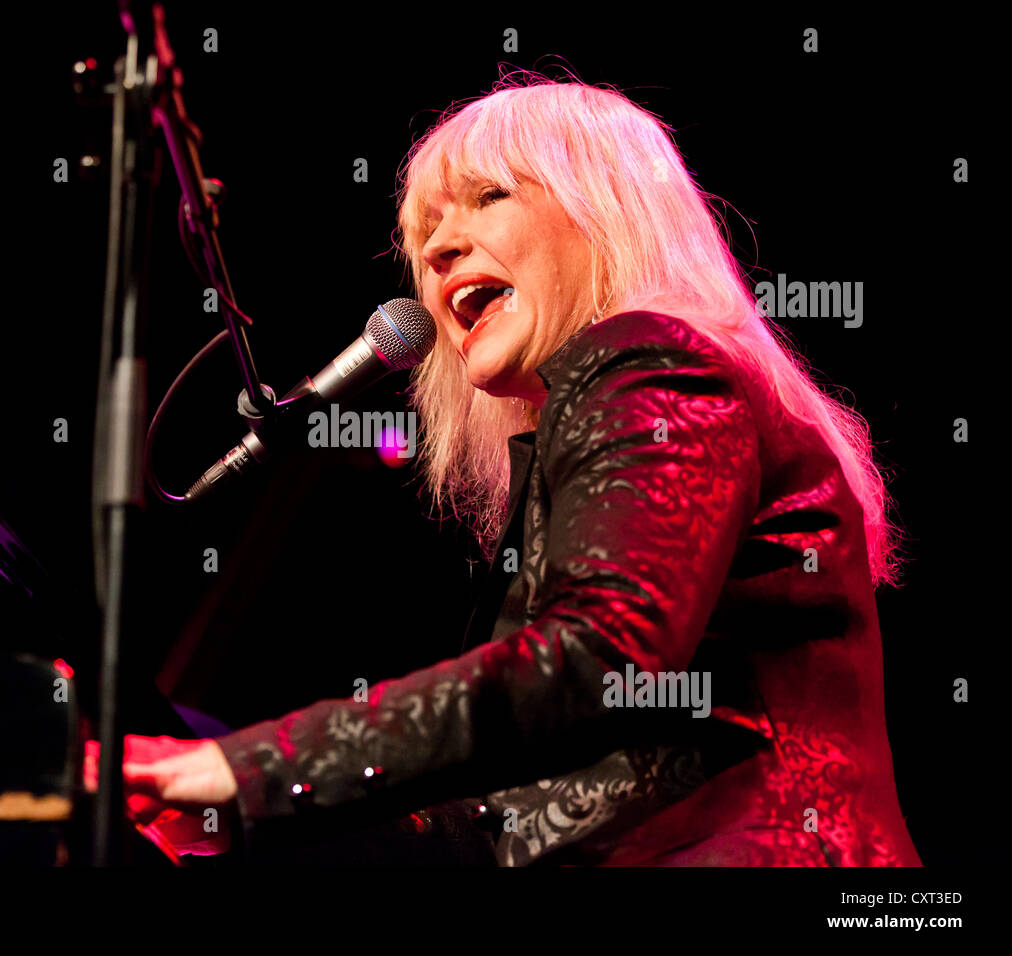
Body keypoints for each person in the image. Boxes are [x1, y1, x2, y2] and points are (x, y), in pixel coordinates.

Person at [84, 72, 922, 866]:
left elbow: (595, 662)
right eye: (423, 235)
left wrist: (245, 768)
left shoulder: (653, 359)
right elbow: (509, 824)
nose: (442, 247)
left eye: (490, 197)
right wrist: (244, 818)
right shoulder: (617, 412)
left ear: (609, 214)